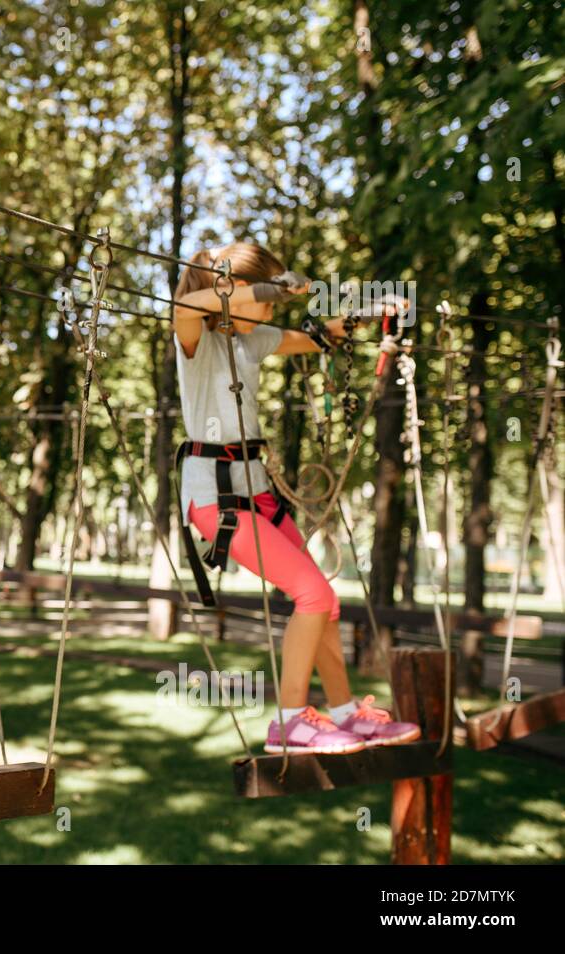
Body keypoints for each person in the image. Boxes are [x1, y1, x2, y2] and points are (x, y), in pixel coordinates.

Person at [172, 242, 420, 755]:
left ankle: (347, 713)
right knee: (314, 595)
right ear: (232, 292)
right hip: (214, 501)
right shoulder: (193, 340)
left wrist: (370, 314)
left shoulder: (251, 340)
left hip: (256, 495)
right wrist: (264, 289)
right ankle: (288, 721)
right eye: (261, 303)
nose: (266, 314)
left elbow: (315, 339)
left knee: (323, 604)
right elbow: (189, 307)